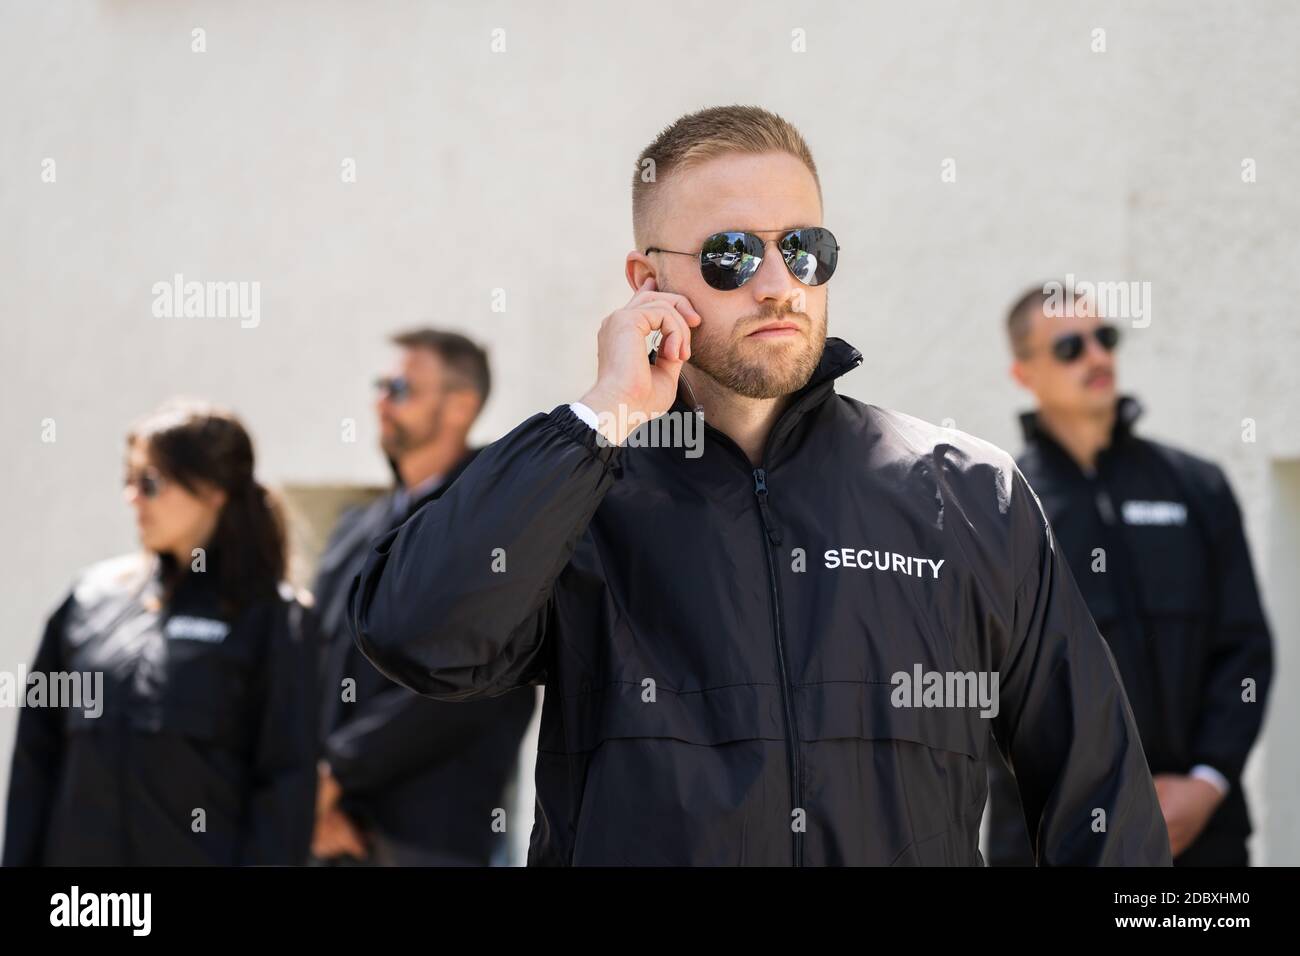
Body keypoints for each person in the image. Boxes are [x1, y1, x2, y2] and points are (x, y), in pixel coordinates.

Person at [349, 105, 1171, 866]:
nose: (778, 281)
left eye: (804, 248)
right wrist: (601, 414)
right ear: (647, 283)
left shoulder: (965, 492)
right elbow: (417, 636)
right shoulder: (580, 492)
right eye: (732, 253)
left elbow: (1097, 793)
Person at [985, 285, 1274, 867]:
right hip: (1055, 843)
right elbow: (983, 683)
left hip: (1199, 837)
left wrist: (1208, 780)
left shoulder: (1196, 487)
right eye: (1070, 347)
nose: (1096, 357)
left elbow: (1244, 648)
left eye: (1105, 338)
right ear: (1024, 373)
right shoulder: (996, 504)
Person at [3, 399, 319, 866]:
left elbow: (285, 789)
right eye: (128, 481)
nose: (133, 497)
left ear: (212, 490)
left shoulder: (274, 619)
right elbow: (35, 761)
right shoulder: (88, 602)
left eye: (150, 482)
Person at [312, 329, 535, 866]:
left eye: (401, 388)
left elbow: (470, 678)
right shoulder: (356, 525)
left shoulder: (489, 516)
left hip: (429, 835)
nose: (381, 402)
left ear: (460, 406)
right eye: (381, 386)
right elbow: (314, 658)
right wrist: (312, 795)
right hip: (329, 826)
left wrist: (335, 775)